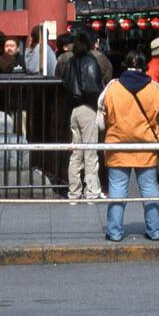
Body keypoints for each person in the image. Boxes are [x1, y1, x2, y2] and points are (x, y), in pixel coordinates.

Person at [99, 49, 159, 242]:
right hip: (146, 146)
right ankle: (155, 230)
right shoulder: (154, 89)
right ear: (144, 66)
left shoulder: (112, 88)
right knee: (150, 188)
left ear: (123, 65)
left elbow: (103, 119)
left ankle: (115, 232)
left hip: (117, 145)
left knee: (117, 189)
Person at [60, 31, 105, 200]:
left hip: (74, 109)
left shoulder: (70, 62)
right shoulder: (90, 61)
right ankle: (92, 190)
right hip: (88, 108)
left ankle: (74, 190)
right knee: (90, 151)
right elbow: (92, 86)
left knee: (76, 152)